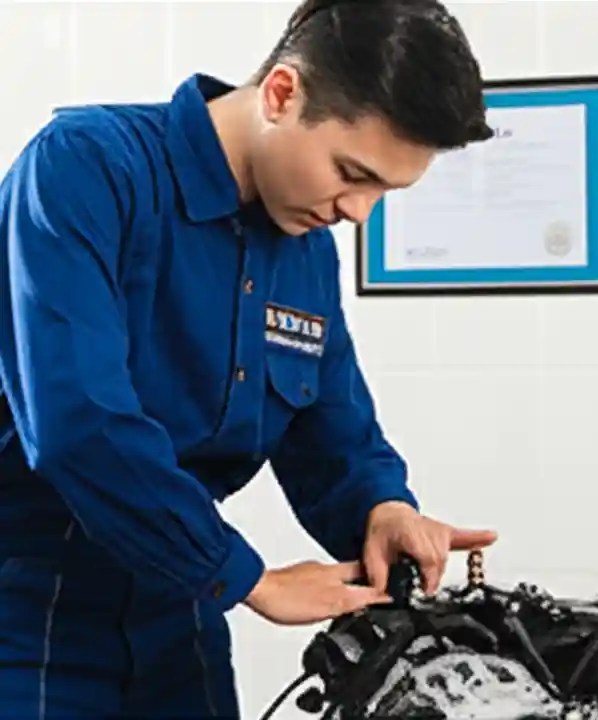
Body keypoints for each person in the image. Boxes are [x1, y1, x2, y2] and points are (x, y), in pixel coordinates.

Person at [0, 0, 498, 716]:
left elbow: (333, 427)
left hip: (179, 614)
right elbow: (80, 424)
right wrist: (251, 580)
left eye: (384, 191)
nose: (359, 212)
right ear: (281, 93)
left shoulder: (305, 249)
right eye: (351, 173)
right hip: (25, 608)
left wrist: (382, 507)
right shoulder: (87, 167)